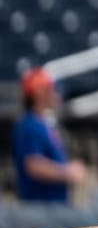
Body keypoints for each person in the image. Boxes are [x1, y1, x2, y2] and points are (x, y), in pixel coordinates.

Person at [12, 68, 86, 204]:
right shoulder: (30, 125)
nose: (57, 95)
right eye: (53, 90)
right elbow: (34, 165)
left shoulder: (42, 123)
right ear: (39, 93)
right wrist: (68, 172)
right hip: (41, 209)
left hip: (52, 207)